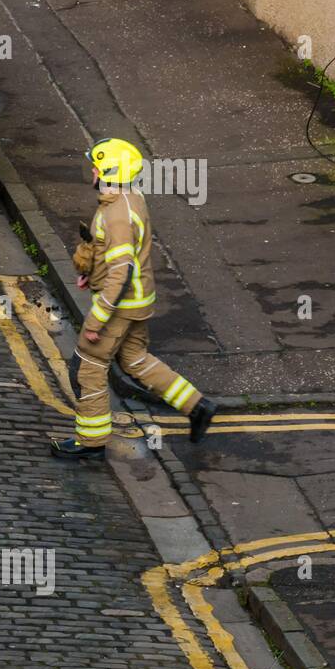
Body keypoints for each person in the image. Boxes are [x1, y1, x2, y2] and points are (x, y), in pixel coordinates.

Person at [51, 139, 217, 459]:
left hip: (120, 307)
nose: (93, 170)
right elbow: (116, 259)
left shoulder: (116, 215)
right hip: (138, 301)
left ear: (110, 171)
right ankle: (197, 406)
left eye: (97, 166)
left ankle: (91, 441)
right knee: (135, 360)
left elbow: (121, 272)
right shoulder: (128, 199)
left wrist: (97, 321)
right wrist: (91, 272)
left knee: (88, 366)